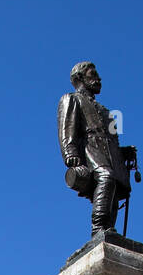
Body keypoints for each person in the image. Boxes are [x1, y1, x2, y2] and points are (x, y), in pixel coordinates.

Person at [58, 61, 137, 238]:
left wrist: (124, 153)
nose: (98, 79)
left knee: (115, 188)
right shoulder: (71, 99)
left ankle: (110, 229)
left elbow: (113, 141)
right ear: (79, 78)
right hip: (90, 149)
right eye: (93, 74)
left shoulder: (108, 112)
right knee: (106, 177)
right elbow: (67, 129)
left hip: (111, 156)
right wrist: (70, 154)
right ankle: (99, 228)